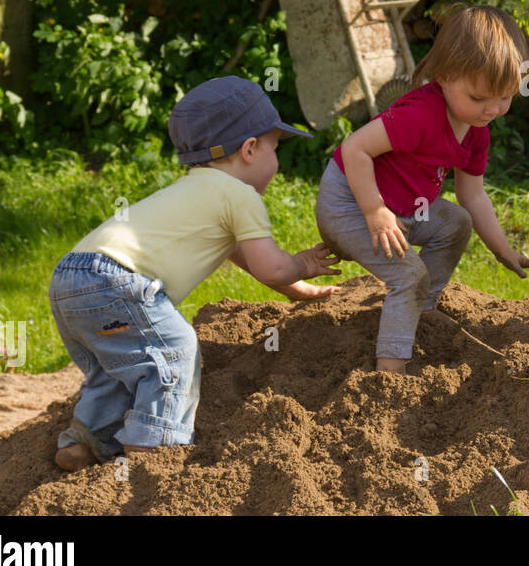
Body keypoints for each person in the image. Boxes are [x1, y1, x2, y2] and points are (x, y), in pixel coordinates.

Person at [49, 76, 340, 471]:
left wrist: (297, 289)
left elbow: (247, 259)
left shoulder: (196, 190)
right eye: (276, 148)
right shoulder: (240, 195)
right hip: (115, 280)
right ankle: (156, 447)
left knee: (118, 367)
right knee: (175, 350)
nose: (277, 160)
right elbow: (269, 263)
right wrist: (303, 263)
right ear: (250, 149)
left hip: (71, 276)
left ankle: (84, 442)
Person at [316, 4, 529, 373]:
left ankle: (419, 312)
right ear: (443, 76)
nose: (491, 109)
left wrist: (505, 252)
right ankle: (389, 377)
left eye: (505, 98)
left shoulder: (476, 130)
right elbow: (355, 148)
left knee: (456, 221)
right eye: (479, 98)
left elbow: (472, 195)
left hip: (406, 207)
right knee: (410, 276)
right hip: (351, 202)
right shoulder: (420, 115)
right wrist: (375, 213)